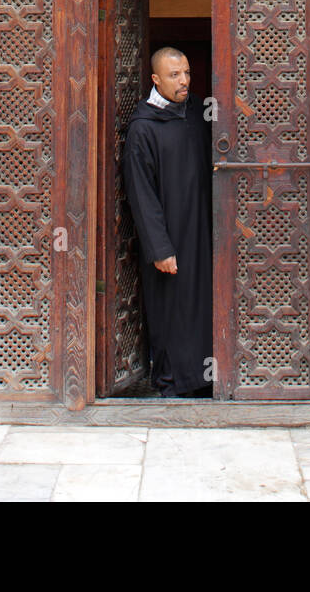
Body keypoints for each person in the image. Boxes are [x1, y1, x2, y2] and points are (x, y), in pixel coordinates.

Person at [122, 47, 213, 398]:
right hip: (170, 238)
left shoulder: (198, 114)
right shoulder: (143, 129)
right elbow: (142, 195)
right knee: (172, 310)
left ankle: (204, 378)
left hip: (201, 231)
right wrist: (159, 248)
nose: (184, 81)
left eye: (187, 73)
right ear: (156, 80)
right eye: (175, 75)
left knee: (203, 305)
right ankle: (174, 381)